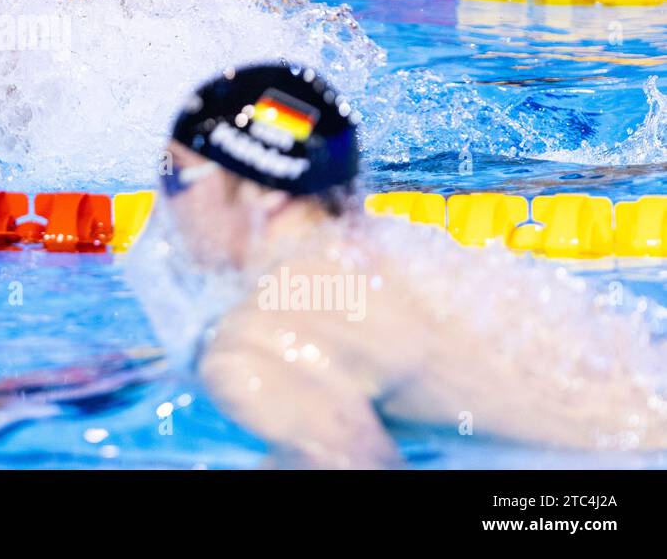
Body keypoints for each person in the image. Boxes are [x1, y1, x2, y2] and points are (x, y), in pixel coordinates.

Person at [134, 63, 667, 468]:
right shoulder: (396, 252)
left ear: (264, 194)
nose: (165, 198)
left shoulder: (259, 346)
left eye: (176, 173)